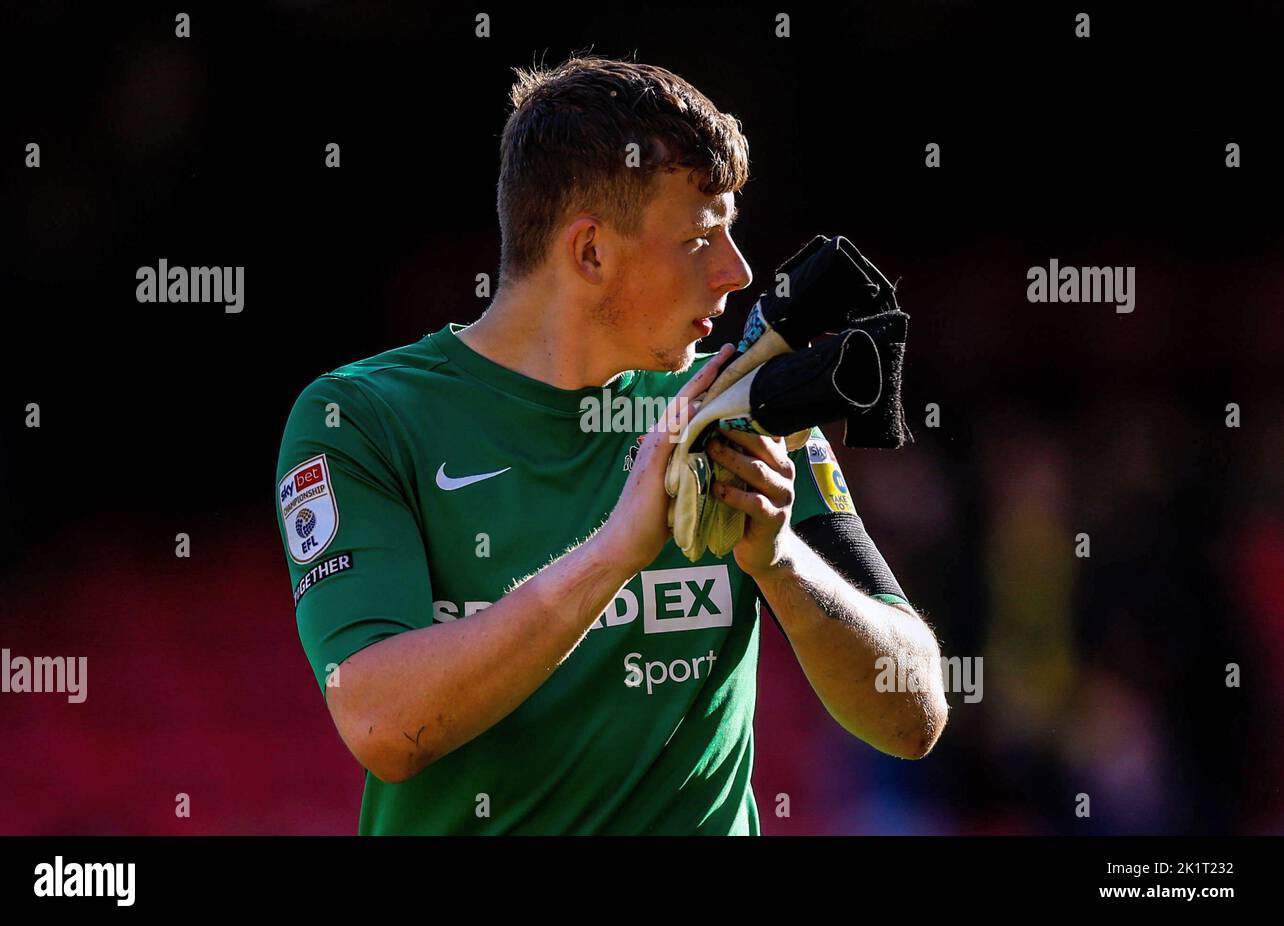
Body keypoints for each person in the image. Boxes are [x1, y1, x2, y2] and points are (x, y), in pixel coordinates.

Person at [275, 55, 947, 835]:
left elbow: (913, 716)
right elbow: (383, 726)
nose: (738, 272)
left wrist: (782, 563)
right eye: (701, 237)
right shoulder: (360, 418)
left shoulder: (735, 405)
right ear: (590, 251)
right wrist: (617, 550)